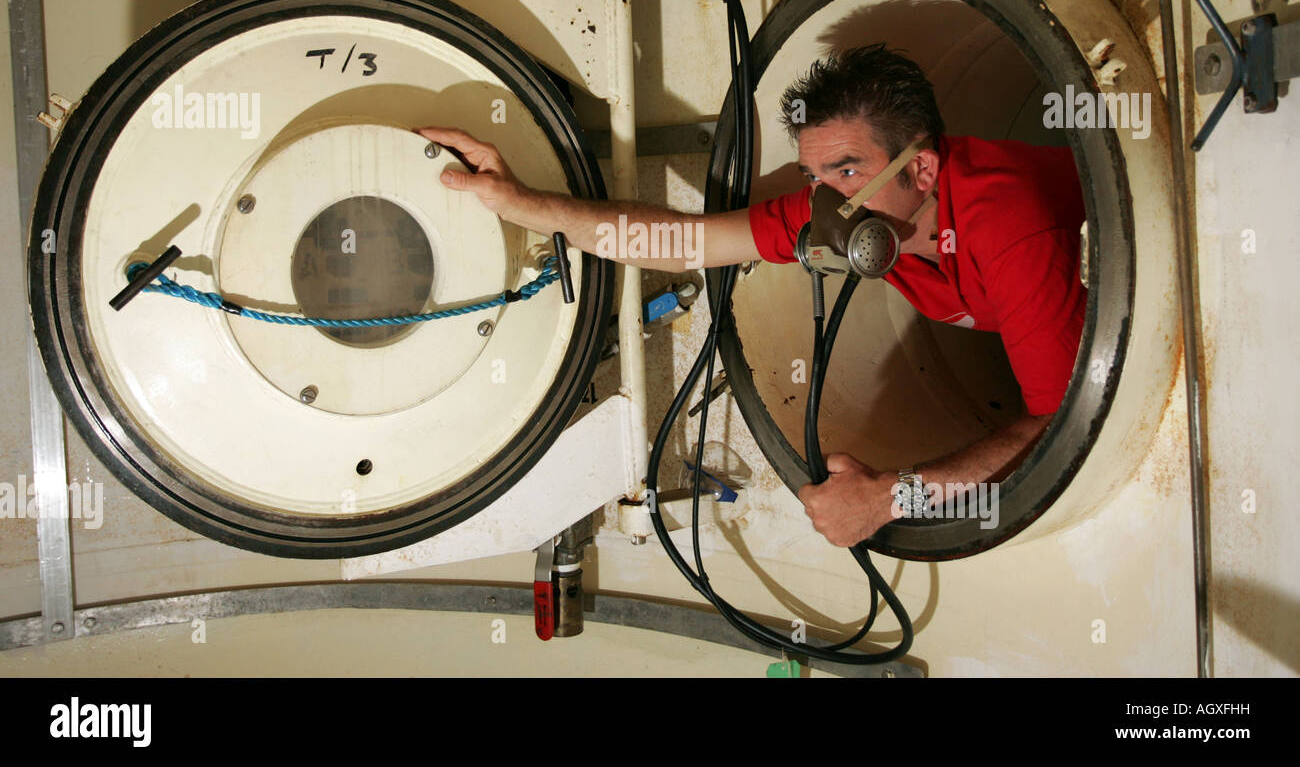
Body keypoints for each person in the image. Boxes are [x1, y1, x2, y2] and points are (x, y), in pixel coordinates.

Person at [413, 44, 1086, 548]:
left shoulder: (1009, 224)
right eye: (814, 174)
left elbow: (1063, 427)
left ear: (922, 168)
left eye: (847, 171)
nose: (829, 202)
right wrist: (522, 205)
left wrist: (892, 498)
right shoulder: (864, 214)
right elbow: (686, 244)